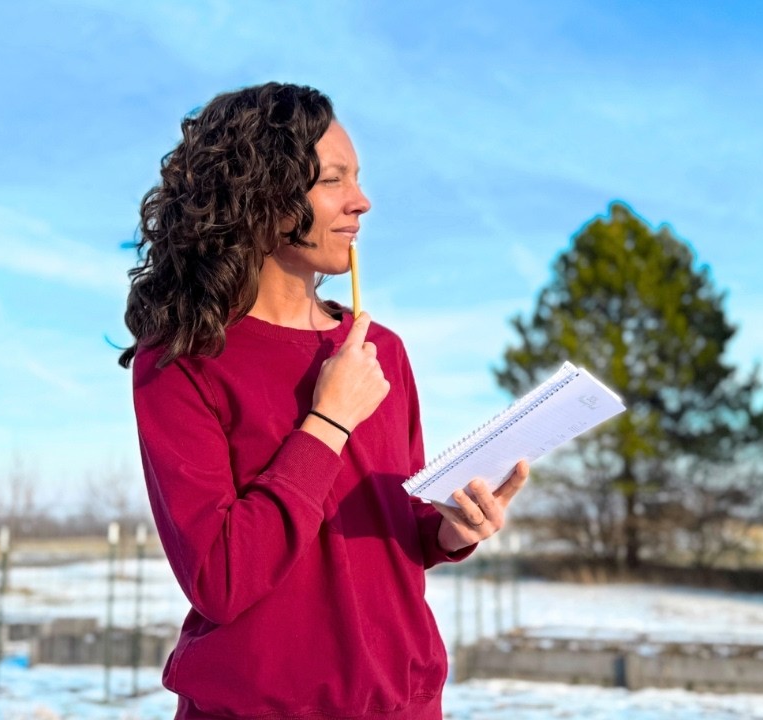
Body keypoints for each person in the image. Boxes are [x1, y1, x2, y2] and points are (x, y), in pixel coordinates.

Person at [119, 82, 529, 719]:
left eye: (357, 178)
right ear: (260, 191)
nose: (361, 202)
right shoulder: (182, 359)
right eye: (333, 179)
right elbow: (221, 580)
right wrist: (328, 419)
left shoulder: (379, 350)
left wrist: (450, 530)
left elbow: (400, 527)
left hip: (405, 706)